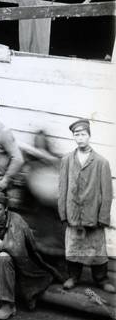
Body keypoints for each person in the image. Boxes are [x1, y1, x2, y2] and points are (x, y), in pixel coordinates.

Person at [0, 191, 61, 320]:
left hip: (13, 263)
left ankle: (8, 304)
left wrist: (1, 243)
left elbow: (19, 251)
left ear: (6, 209)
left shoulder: (16, 220)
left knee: (3, 256)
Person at [57, 119, 114, 293]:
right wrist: (64, 213)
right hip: (74, 212)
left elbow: (107, 193)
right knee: (74, 246)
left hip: (92, 215)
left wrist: (103, 217)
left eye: (83, 134)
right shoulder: (67, 160)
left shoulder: (101, 162)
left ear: (89, 136)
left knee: (97, 248)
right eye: (77, 135)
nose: (80, 138)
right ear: (73, 137)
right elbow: (62, 188)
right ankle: (74, 276)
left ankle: (101, 279)